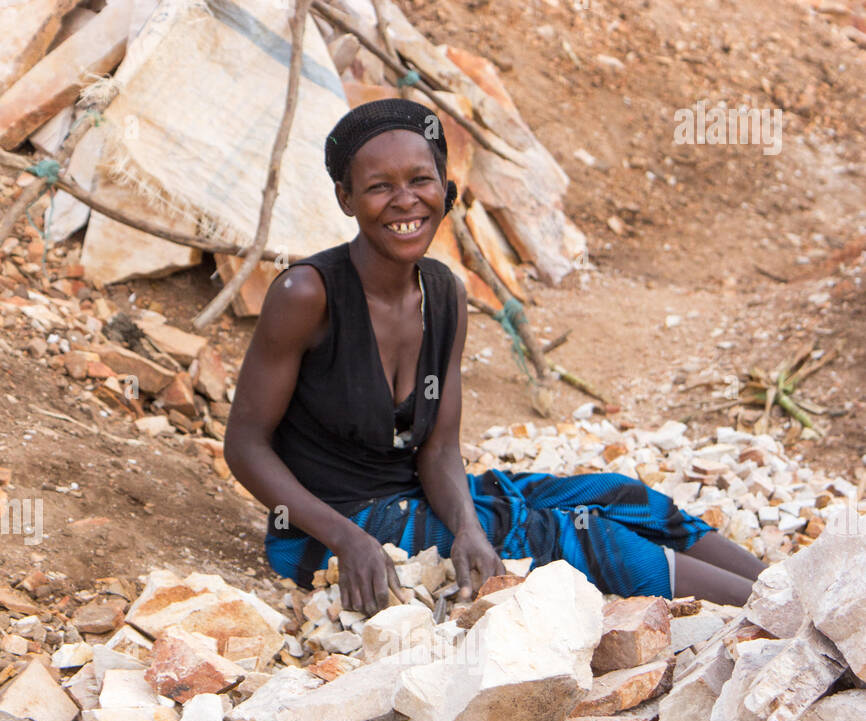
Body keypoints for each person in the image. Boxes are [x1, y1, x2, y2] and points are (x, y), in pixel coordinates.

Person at [224, 98, 763, 615]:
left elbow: (437, 451)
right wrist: (348, 537)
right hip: (327, 535)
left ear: (445, 188)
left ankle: (791, 585)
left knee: (618, 494)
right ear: (346, 199)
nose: (405, 200)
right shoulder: (306, 294)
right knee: (560, 533)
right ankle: (779, 610)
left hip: (417, 496)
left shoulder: (446, 295)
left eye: (419, 180)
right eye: (379, 187)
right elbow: (245, 445)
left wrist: (466, 527)